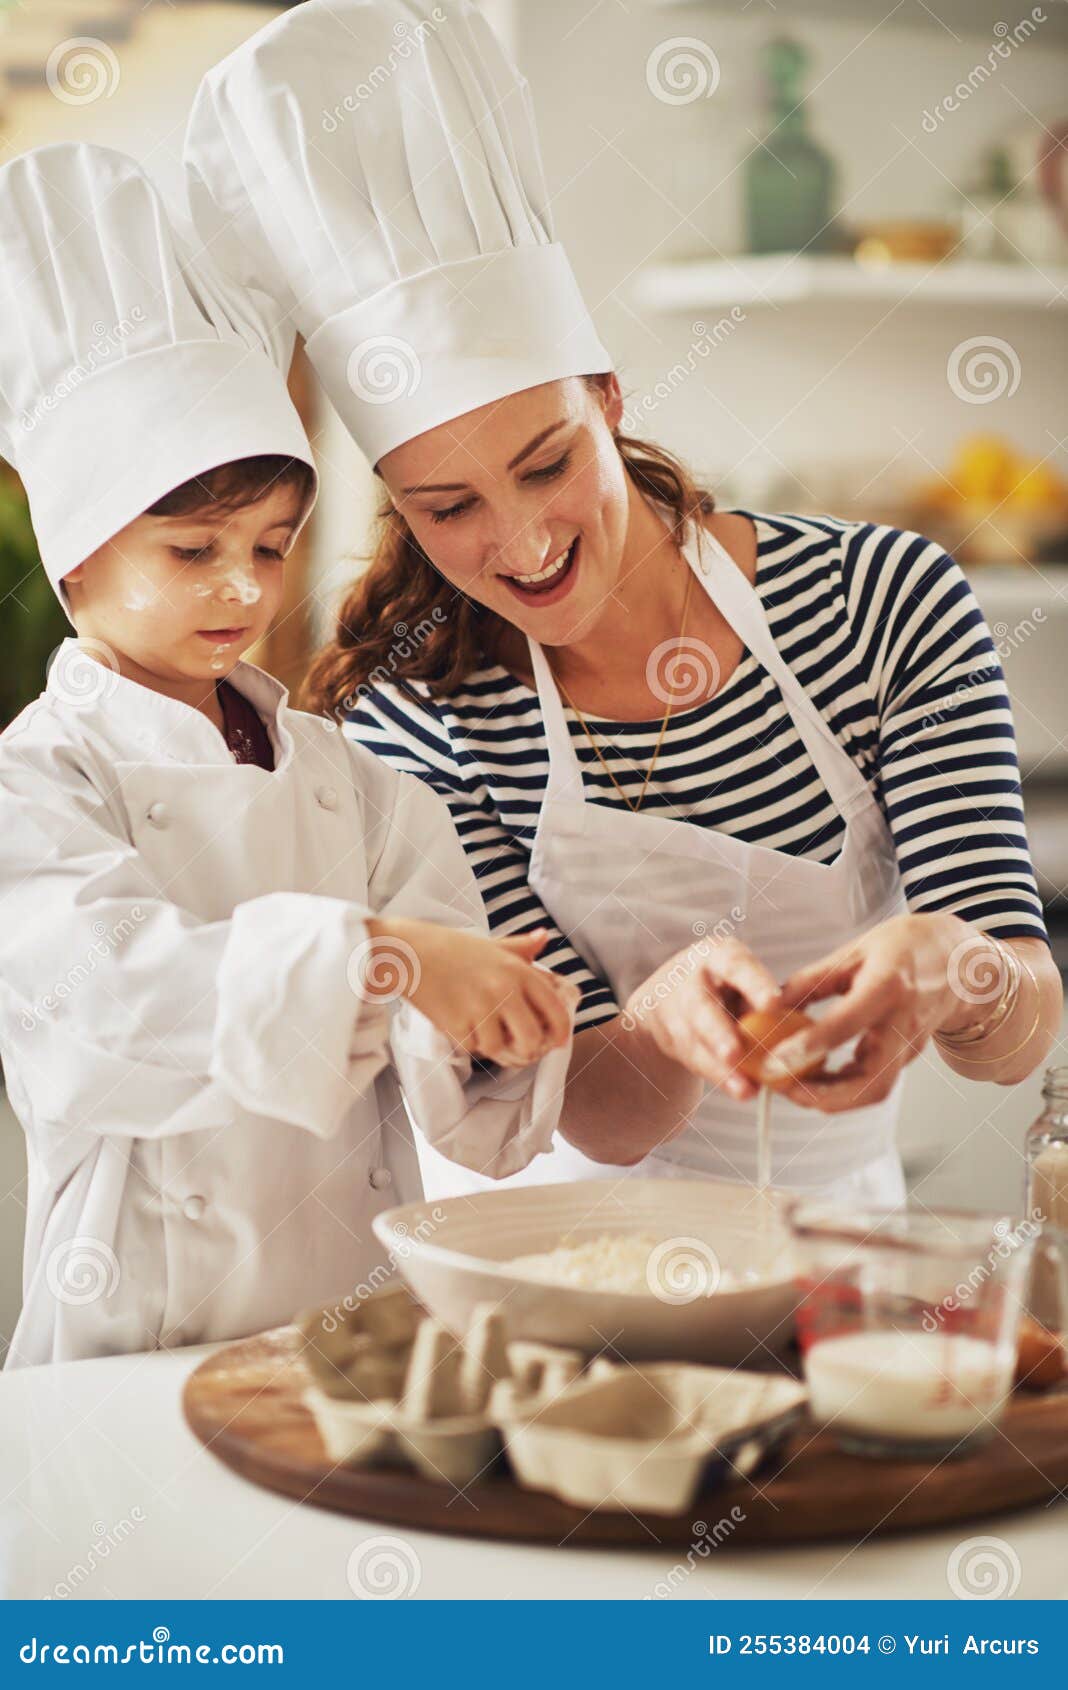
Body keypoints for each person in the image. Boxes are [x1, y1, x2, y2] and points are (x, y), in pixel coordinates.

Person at [184, 0, 1061, 1205]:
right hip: (547, 1269)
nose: (524, 540)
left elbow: (1014, 1037)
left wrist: (957, 964)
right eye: (450, 508)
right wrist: (652, 1020)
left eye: (547, 463)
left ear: (607, 395)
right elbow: (604, 1114)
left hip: (834, 1259)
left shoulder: (883, 600)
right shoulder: (420, 711)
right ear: (396, 500)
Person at [0, 141, 576, 1367]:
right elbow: (106, 1011)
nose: (245, 588)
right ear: (78, 557)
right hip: (135, 1341)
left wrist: (486, 1028)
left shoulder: (348, 775)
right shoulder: (35, 781)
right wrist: (393, 963)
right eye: (194, 549)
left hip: (352, 1331)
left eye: (272, 546)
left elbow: (447, 1073)